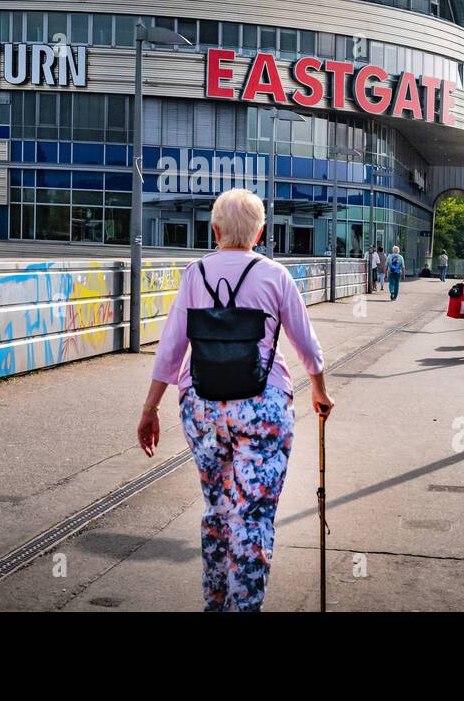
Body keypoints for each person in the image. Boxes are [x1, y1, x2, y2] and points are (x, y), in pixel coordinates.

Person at [137, 188, 332, 612]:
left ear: (215, 230)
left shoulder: (194, 274)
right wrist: (317, 385)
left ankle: (216, 602)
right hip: (262, 407)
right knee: (253, 514)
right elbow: (305, 341)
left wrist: (150, 408)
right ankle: (244, 607)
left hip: (202, 408)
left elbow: (171, 347)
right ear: (259, 233)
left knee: (218, 509)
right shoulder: (275, 275)